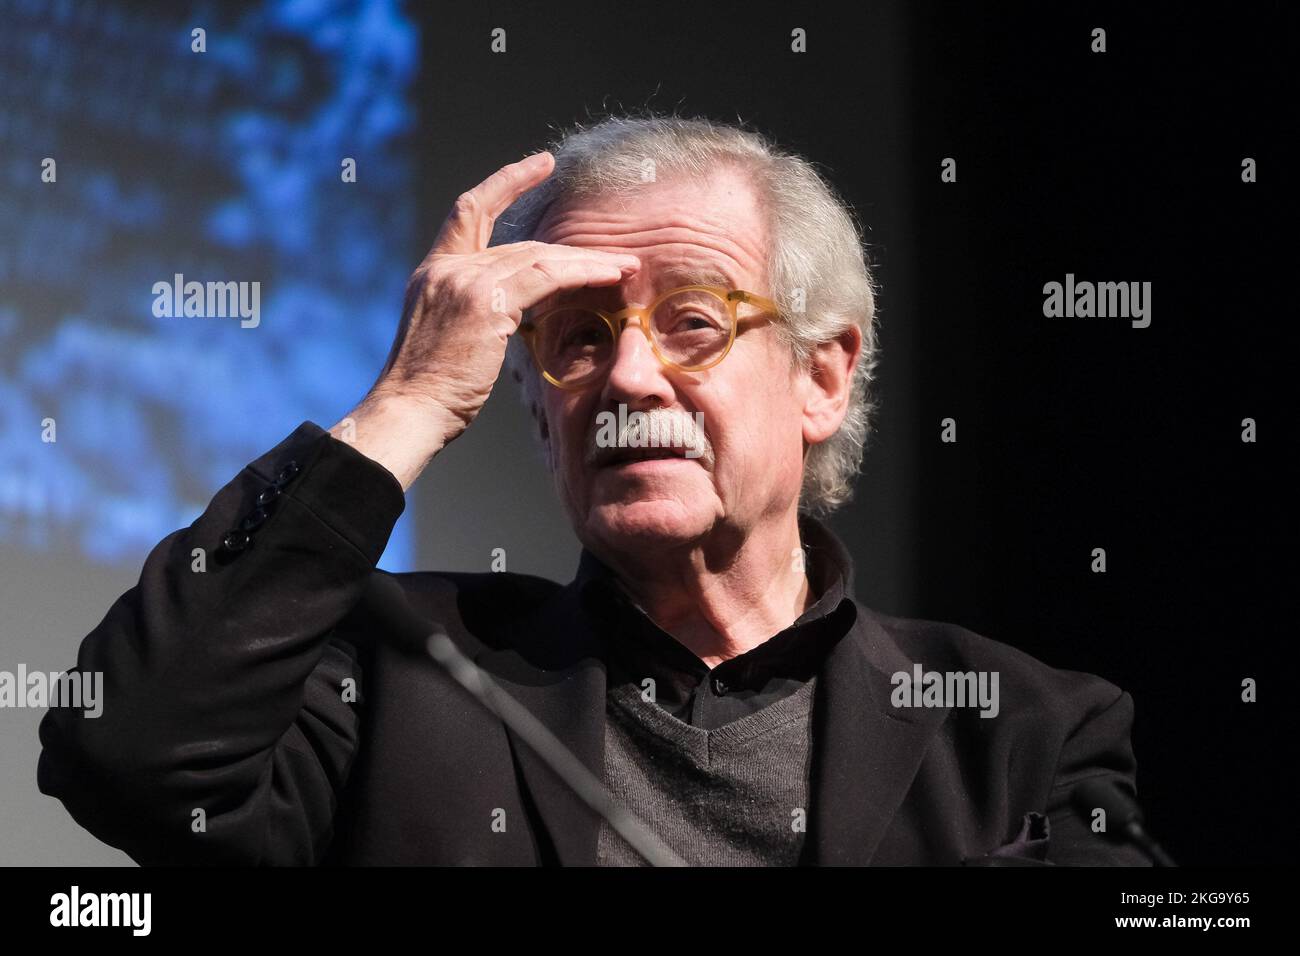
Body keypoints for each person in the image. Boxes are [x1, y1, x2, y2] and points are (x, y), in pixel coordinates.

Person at [38, 115, 1148, 865]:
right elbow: (125, 752)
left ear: (821, 374)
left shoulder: (1020, 729)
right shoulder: (390, 671)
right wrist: (407, 402)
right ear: (534, 404)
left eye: (694, 323)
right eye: (574, 339)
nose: (624, 374)